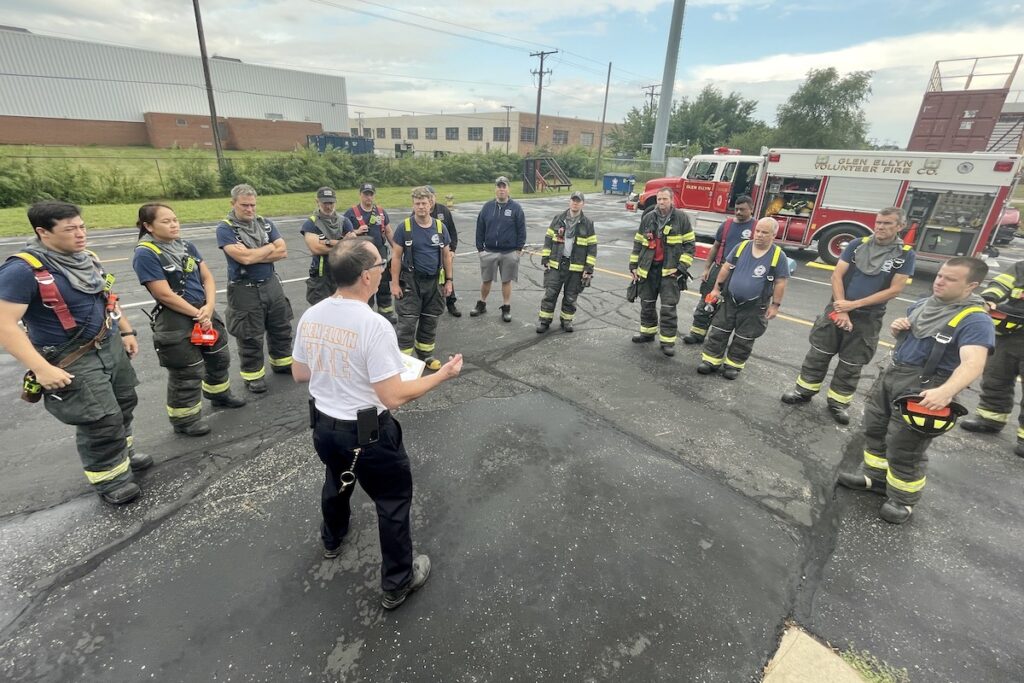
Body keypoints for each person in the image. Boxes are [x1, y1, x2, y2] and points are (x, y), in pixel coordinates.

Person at [292, 237, 463, 610]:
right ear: (366, 277)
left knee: (336, 481)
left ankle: (332, 539)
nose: (384, 269)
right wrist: (444, 375)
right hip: (367, 434)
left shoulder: (312, 314)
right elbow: (394, 396)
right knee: (392, 501)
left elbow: (300, 373)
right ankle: (397, 582)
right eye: (380, 265)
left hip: (324, 427)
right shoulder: (375, 325)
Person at [0, 201, 150, 505]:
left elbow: (106, 297)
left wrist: (126, 331)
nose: (80, 234)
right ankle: (110, 478)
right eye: (70, 230)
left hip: (108, 345)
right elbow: (5, 325)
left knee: (123, 402)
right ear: (43, 232)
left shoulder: (86, 259)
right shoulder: (22, 270)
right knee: (99, 418)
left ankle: (123, 453)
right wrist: (41, 369)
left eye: (82, 227)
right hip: (72, 357)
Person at [837, 257, 994, 524]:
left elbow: (973, 363)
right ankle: (875, 479)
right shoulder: (924, 303)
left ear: (971, 286)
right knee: (874, 429)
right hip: (893, 377)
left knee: (905, 446)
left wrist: (946, 392)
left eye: (950, 279)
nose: (940, 281)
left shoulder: (975, 320)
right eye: (940, 275)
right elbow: (917, 339)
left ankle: (902, 499)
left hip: (926, 389)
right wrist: (899, 329)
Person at [781, 208, 915, 424]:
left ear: (900, 227)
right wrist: (842, 309)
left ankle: (838, 403)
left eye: (887, 223)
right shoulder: (857, 245)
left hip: (868, 317)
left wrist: (853, 305)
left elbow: (894, 290)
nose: (880, 227)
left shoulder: (905, 254)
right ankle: (803, 391)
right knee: (819, 353)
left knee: (852, 363)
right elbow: (837, 275)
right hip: (837, 308)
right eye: (878, 222)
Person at [133, 203, 246, 437]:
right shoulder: (146, 253)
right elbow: (163, 293)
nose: (174, 224)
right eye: (166, 221)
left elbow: (207, 277)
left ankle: (218, 395)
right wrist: (198, 314)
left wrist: (209, 307)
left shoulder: (187, 246)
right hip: (177, 318)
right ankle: (184, 420)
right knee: (187, 370)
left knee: (219, 357)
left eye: (175, 219)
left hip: (204, 312)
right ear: (148, 226)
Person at [216, 184, 293, 393]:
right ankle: (253, 375)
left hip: (271, 283)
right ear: (233, 204)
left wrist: (255, 253)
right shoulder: (225, 229)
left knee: (281, 325)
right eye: (244, 205)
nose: (249, 209)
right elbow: (244, 258)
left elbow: (283, 251)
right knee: (249, 334)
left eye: (252, 205)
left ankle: (282, 362)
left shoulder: (265, 224)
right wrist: (269, 247)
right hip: (244, 289)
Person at [697, 217, 789, 379]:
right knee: (719, 330)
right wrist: (716, 289)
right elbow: (726, 268)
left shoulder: (778, 256)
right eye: (758, 231)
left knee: (745, 337)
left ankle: (733, 366)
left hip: (755, 306)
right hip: (730, 300)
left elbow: (780, 282)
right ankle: (711, 361)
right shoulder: (741, 247)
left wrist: (775, 305)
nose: (759, 235)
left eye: (764, 232)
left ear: (773, 235)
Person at [958, 259, 1024, 456]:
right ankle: (990, 419)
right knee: (996, 376)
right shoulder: (1021, 266)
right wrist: (989, 298)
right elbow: (1001, 284)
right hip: (1010, 334)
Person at [390, 187, 455, 371]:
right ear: (413, 205)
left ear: (431, 204)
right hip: (411, 282)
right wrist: (394, 284)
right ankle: (402, 361)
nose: (421, 207)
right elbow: (396, 257)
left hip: (434, 282)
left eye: (424, 203)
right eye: (417, 203)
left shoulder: (440, 227)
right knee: (408, 322)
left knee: (430, 319)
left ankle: (425, 355)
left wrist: (449, 280)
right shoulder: (405, 227)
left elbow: (446, 255)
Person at [628, 187, 696, 356]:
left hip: (670, 271)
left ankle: (667, 341)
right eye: (659, 199)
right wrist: (633, 266)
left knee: (668, 308)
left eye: (665, 199)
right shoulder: (649, 217)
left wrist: (681, 268)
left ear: (672, 200)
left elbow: (690, 246)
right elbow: (638, 243)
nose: (661, 202)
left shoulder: (681, 218)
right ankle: (647, 333)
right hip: (648, 269)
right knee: (647, 304)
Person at [682, 196, 755, 345]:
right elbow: (715, 247)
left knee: (728, 308)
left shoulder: (757, 228)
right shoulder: (726, 225)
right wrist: (707, 268)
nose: (738, 212)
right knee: (707, 302)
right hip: (719, 268)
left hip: (740, 274)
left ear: (751, 209)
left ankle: (718, 341)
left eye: (743, 209)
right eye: (736, 209)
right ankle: (697, 334)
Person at [536, 191, 597, 334]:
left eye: (578, 201)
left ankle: (566, 320)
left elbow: (592, 247)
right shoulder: (558, 219)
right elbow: (548, 239)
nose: (575, 203)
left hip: (576, 266)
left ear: (583, 204)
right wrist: (546, 258)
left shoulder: (588, 224)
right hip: (557, 263)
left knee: (571, 296)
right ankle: (545, 321)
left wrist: (588, 268)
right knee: (550, 294)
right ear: (569, 202)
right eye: (573, 200)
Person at [471, 176, 526, 322]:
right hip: (489, 251)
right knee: (486, 280)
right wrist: (480, 248)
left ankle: (506, 308)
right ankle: (481, 304)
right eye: (499, 186)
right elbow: (480, 228)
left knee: (506, 281)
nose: (501, 189)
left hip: (509, 252)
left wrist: (519, 249)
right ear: (495, 189)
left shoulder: (516, 208)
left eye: (504, 186)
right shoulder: (487, 207)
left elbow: (521, 230)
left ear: (509, 189)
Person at [343, 183, 395, 323]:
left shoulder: (381, 212)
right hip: (361, 254)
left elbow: (388, 231)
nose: (368, 197)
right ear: (360, 195)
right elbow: (344, 234)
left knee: (383, 281)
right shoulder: (351, 213)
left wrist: (396, 248)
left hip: (380, 251)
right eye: (366, 194)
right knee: (365, 282)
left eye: (371, 194)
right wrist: (356, 232)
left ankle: (386, 313)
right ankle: (367, 312)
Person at [300, 186, 353, 305]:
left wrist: (328, 242)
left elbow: (353, 245)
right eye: (325, 203)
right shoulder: (311, 224)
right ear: (317, 201)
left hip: (342, 273)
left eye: (331, 203)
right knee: (321, 311)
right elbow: (316, 248)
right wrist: (342, 242)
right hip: (321, 277)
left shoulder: (344, 221)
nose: (328, 206)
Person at [426, 185, 461, 317]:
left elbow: (452, 231)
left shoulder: (443, 211)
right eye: (426, 197)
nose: (429, 200)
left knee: (448, 278)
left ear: (435, 196)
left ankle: (451, 303)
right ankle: (430, 307)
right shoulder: (420, 211)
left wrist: (453, 249)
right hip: (428, 254)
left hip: (444, 253)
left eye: (431, 196)